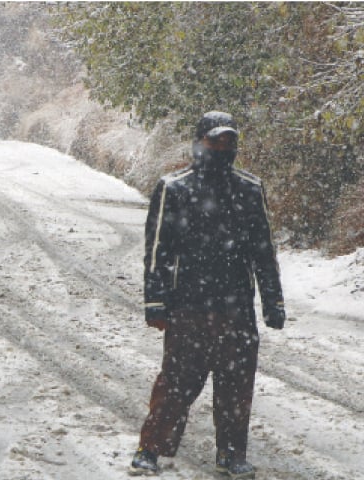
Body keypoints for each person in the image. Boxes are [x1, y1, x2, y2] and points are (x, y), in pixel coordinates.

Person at [129, 111, 286, 479]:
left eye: (229, 142)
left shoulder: (249, 189)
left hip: (237, 309)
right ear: (199, 142)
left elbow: (264, 250)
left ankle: (231, 454)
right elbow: (158, 251)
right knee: (177, 382)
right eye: (215, 141)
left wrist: (272, 300)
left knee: (236, 386)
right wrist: (155, 302)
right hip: (189, 307)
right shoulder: (174, 187)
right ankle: (150, 449)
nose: (222, 148)